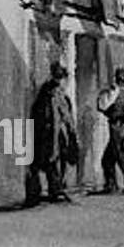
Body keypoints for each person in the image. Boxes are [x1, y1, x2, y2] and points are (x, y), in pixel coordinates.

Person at [24, 62, 78, 206]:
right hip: (50, 133)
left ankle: (44, 192)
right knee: (50, 161)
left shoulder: (46, 91)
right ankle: (50, 191)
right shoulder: (55, 93)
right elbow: (65, 115)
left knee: (46, 163)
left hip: (44, 132)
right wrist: (71, 130)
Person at [98, 67, 124, 194]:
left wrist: (108, 93)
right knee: (111, 157)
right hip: (123, 126)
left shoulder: (116, 91)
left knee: (118, 155)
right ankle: (116, 183)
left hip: (116, 126)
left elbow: (104, 105)